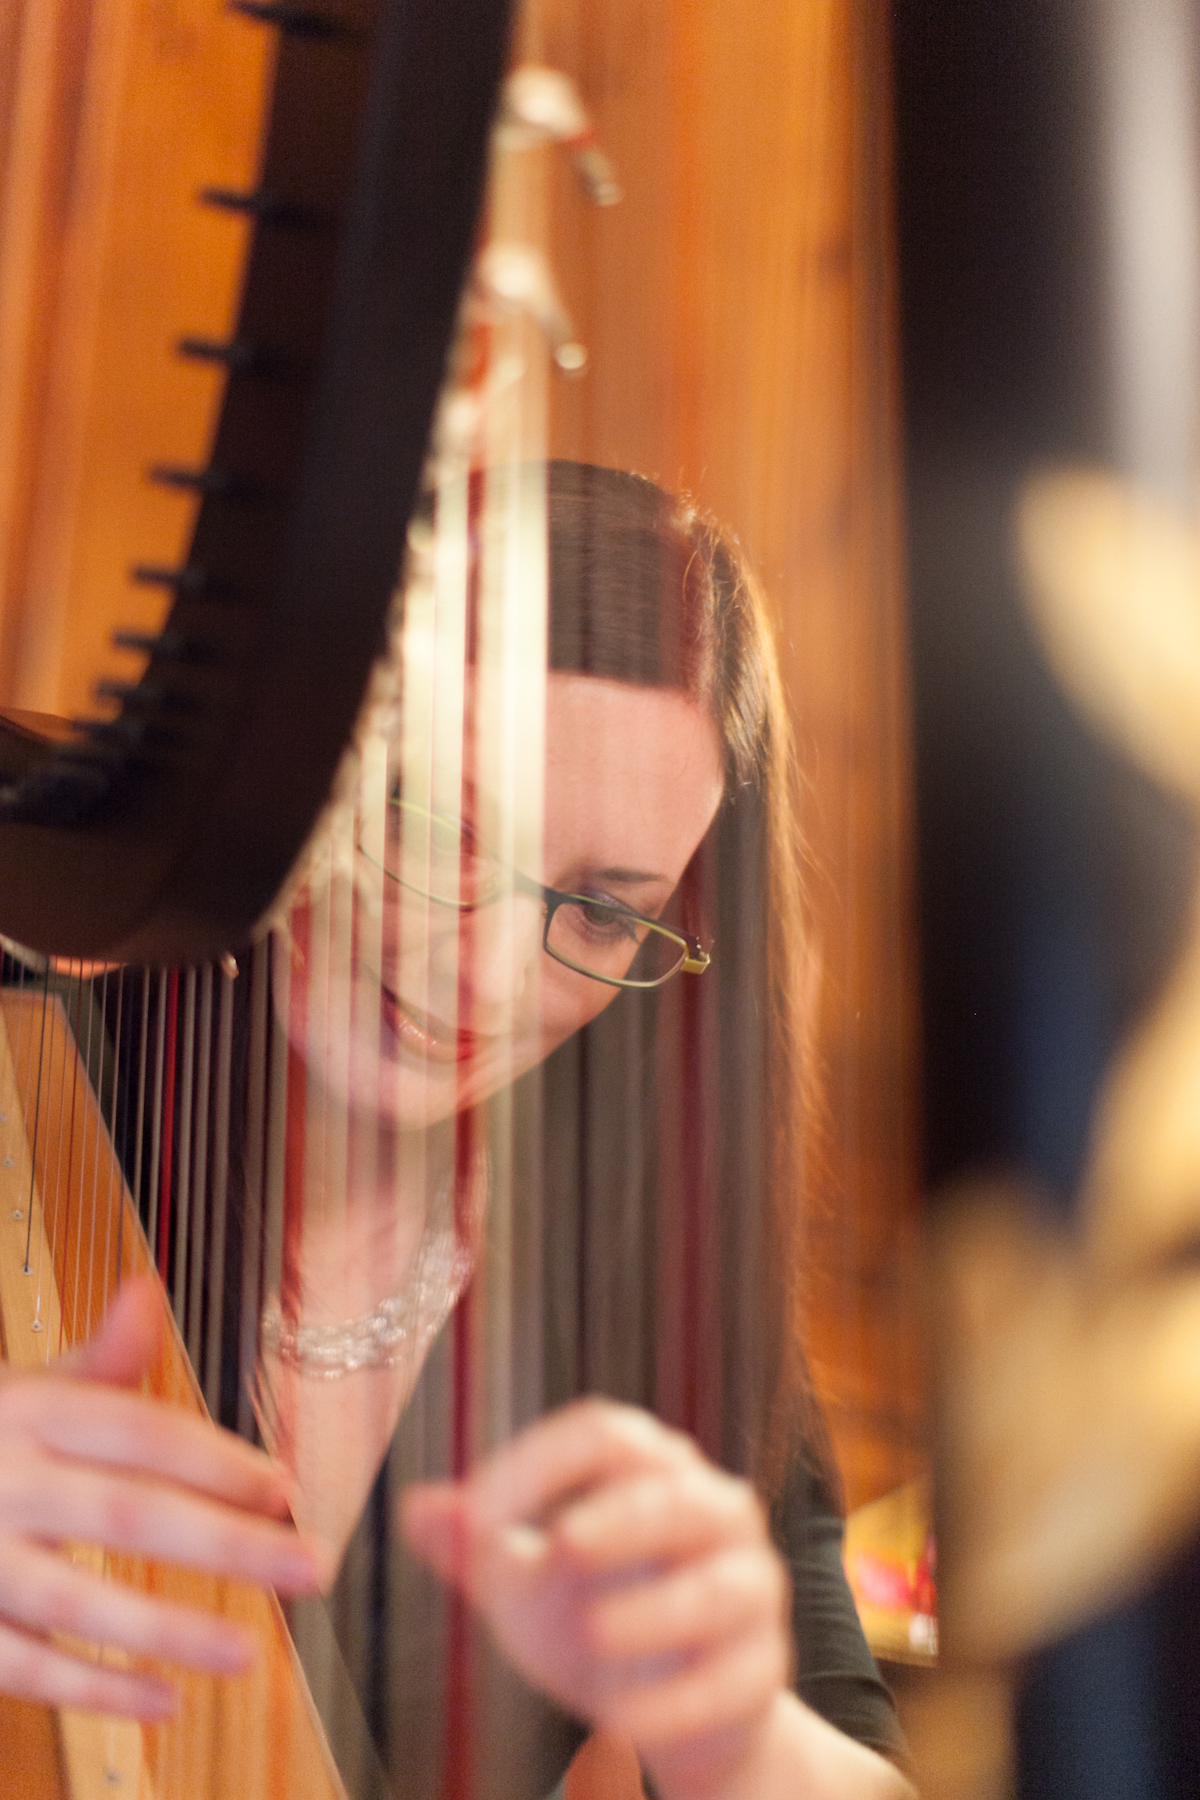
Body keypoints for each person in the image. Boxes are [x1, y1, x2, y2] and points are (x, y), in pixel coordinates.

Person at [0, 464, 912, 1798]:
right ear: (301, 763)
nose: (480, 971)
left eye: (601, 911)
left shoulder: (657, 1279)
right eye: (438, 827)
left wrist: (737, 1732)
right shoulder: (43, 1029)